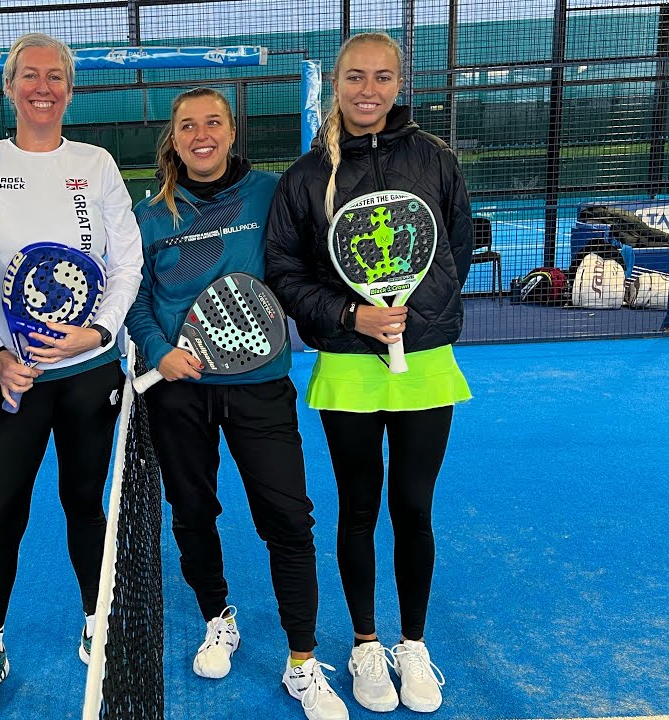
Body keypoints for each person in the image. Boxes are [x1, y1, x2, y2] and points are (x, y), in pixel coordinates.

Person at [265, 32, 473, 714]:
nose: (368, 90)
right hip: (349, 369)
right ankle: (365, 645)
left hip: (425, 365)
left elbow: (456, 250)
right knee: (357, 511)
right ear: (336, 83)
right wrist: (353, 318)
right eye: (356, 76)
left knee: (414, 509)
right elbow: (286, 275)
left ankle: (413, 645)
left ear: (398, 82)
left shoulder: (434, 159)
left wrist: (412, 313)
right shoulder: (304, 177)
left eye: (382, 77)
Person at [125, 87, 348, 720]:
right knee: (193, 511)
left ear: (230, 130)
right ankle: (216, 615)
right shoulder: (153, 215)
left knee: (288, 517)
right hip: (177, 390)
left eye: (213, 122)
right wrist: (158, 351)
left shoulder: (272, 194)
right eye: (188, 124)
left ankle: (303, 661)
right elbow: (137, 300)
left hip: (260, 387)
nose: (201, 134)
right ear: (174, 137)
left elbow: (300, 267)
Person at [0, 32, 143, 720]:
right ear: (8, 87)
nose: (42, 86)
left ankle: (96, 624)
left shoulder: (96, 164)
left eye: (54, 76)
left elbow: (125, 263)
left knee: (84, 507)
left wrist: (99, 332)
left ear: (69, 87)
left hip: (91, 375)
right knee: (2, 514)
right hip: (14, 382)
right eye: (28, 75)